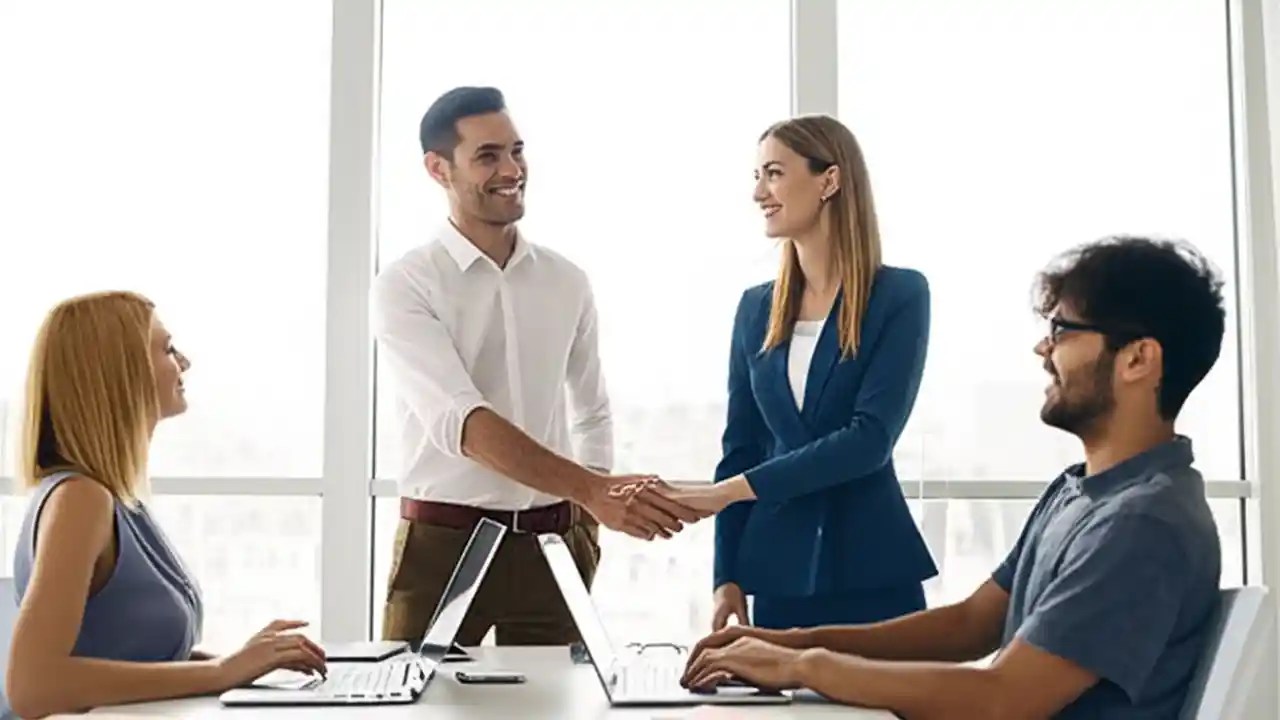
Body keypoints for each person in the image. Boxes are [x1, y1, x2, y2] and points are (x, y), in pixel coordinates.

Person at [680, 236, 1225, 719]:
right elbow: (970, 625)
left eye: (1061, 329)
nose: (1043, 348)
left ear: (1138, 360)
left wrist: (804, 667)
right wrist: (784, 644)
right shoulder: (1081, 493)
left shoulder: (1142, 523)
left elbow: (1002, 698)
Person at [371, 86, 702, 648]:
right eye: (488, 156)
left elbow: (591, 410)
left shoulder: (566, 280)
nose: (512, 169)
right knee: (417, 706)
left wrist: (585, 526)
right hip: (442, 548)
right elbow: (465, 426)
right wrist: (594, 489)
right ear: (437, 169)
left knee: (558, 710)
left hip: (555, 546)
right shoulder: (406, 284)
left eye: (516, 151)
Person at [661, 115, 937, 631]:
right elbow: (741, 446)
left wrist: (726, 493)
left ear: (829, 180)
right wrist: (727, 577)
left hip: (874, 575)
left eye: (773, 173)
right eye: (758, 175)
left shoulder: (900, 296)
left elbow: (868, 440)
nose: (758, 192)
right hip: (778, 578)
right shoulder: (755, 309)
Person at [3, 291, 327, 720]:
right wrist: (222, 671)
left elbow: (127, 656)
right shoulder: (80, 500)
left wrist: (249, 664)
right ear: (119, 372)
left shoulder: (117, 499)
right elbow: (32, 687)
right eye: (168, 348)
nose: (185, 362)